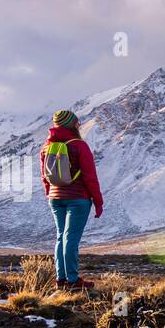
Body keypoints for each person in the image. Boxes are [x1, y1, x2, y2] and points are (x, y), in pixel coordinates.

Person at [40, 109, 103, 290]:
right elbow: (90, 177)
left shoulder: (46, 148)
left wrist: (50, 194)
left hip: (55, 198)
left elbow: (44, 176)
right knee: (71, 239)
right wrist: (98, 202)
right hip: (78, 199)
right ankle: (73, 280)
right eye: (77, 122)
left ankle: (61, 279)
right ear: (71, 124)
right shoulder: (79, 145)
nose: (79, 125)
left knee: (61, 237)